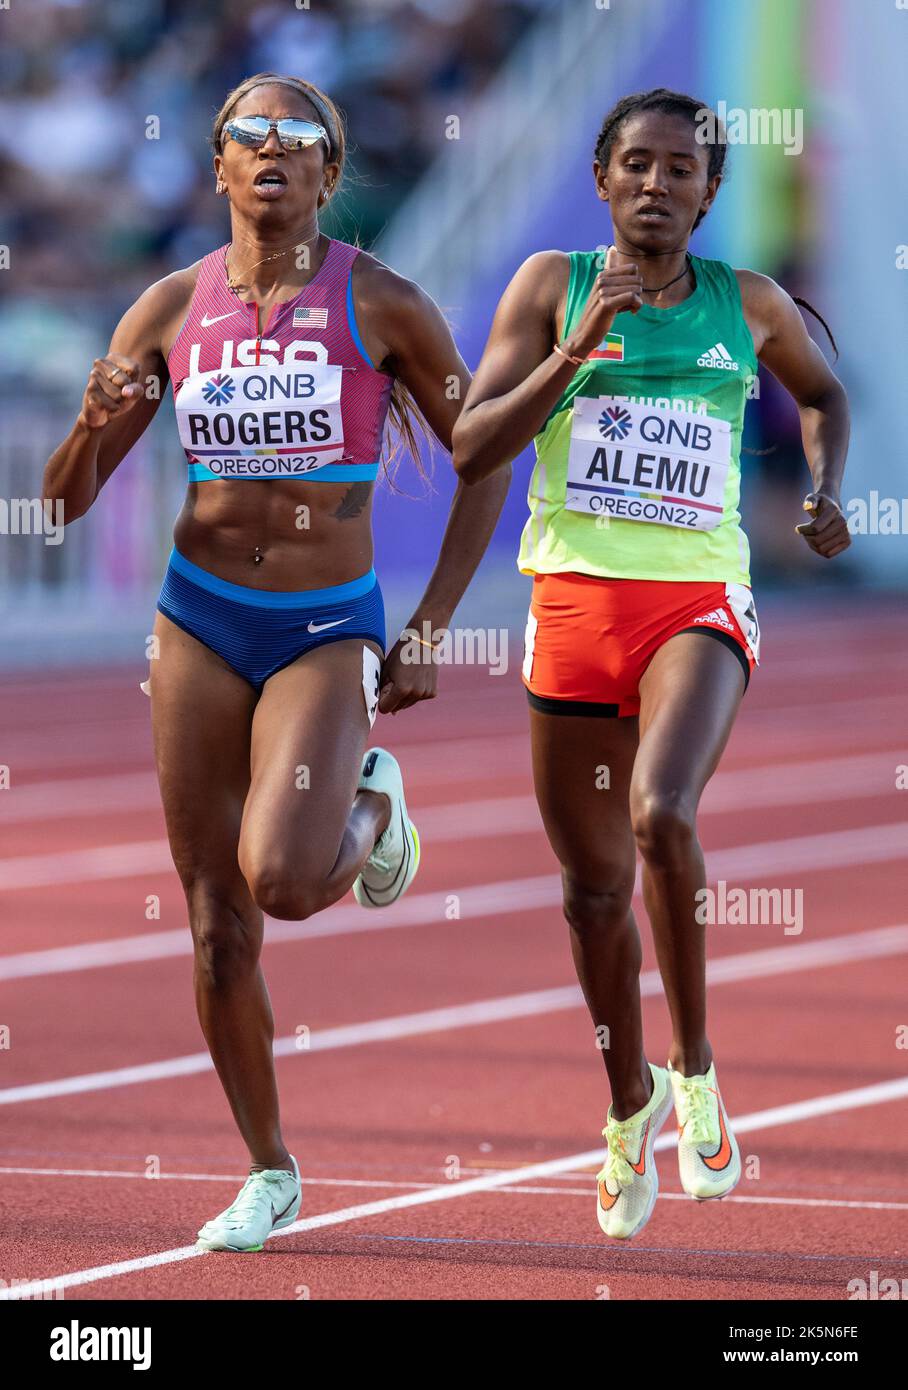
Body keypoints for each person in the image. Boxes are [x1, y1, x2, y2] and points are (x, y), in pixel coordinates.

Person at [42, 72, 509, 1253]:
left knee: (285, 883)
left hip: (323, 626)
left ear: (326, 177)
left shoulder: (384, 304)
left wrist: (431, 625)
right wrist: (94, 419)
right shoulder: (163, 310)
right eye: (247, 132)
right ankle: (271, 1168)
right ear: (216, 167)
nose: (271, 149)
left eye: (299, 136)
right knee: (212, 924)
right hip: (198, 619)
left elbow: (484, 457)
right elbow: (58, 504)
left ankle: (371, 809)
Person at [452, 88, 850, 1240]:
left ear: (708, 191)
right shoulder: (549, 286)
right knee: (588, 895)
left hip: (695, 601)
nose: (655, 185)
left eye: (680, 169)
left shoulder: (748, 304)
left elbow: (823, 394)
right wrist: (576, 352)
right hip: (572, 603)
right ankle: (624, 1103)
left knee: (659, 813)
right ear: (600, 177)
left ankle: (693, 1069)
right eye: (635, 163)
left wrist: (823, 491)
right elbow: (474, 442)